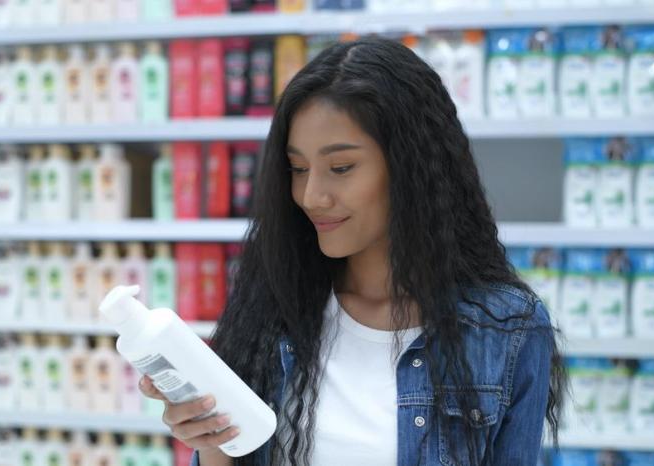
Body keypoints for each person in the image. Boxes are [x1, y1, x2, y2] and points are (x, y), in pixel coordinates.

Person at [139, 36, 566, 466]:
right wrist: (212, 442)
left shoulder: (508, 329)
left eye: (341, 168)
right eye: (298, 168)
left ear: (412, 167)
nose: (311, 195)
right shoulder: (272, 310)